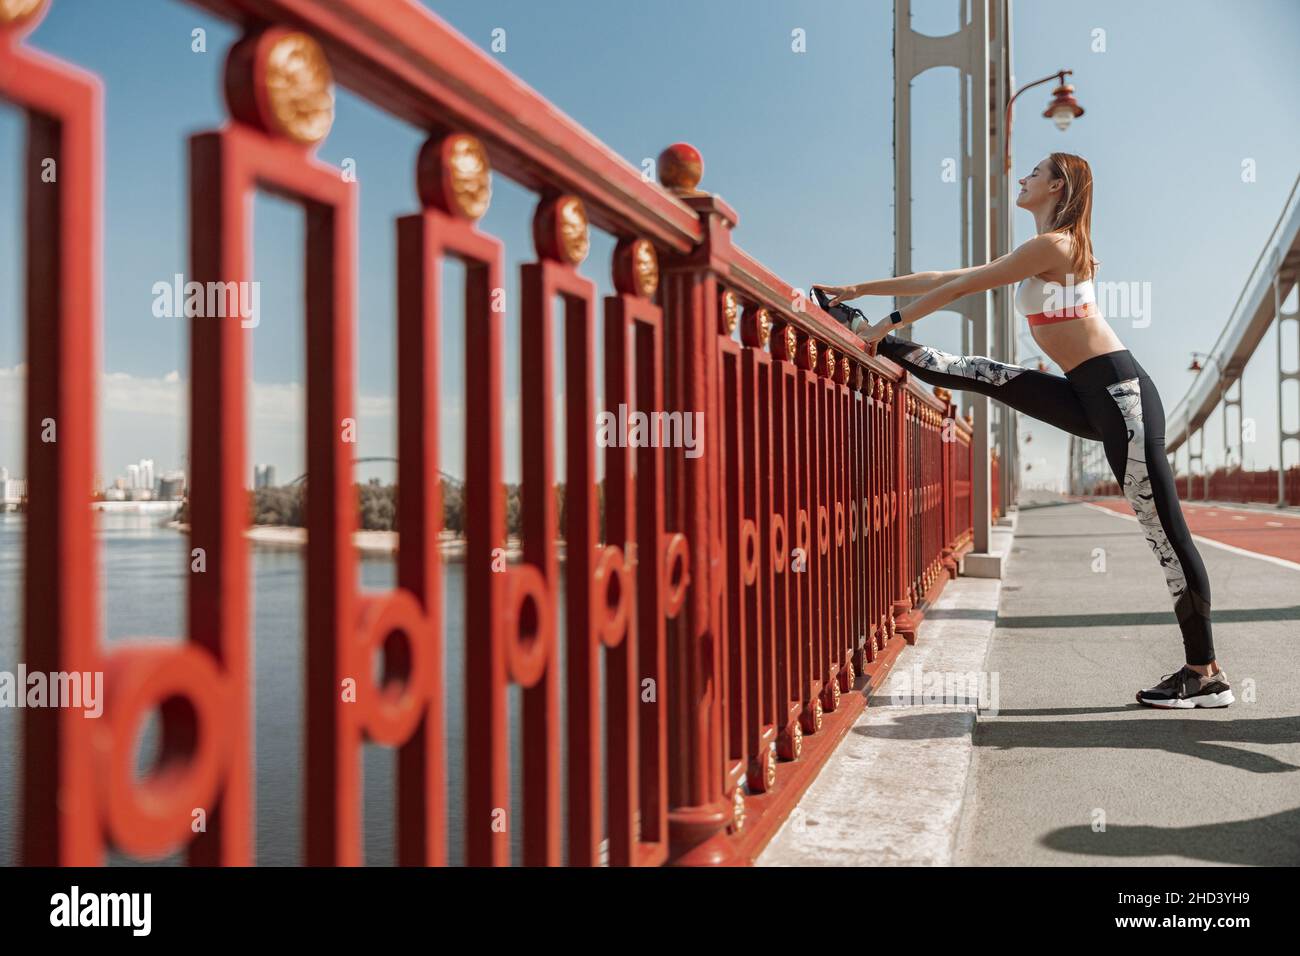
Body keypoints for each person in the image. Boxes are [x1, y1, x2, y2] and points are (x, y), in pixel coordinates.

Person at [814, 152, 1231, 709]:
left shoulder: (1056, 246)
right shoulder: (1044, 247)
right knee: (983, 373)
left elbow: (965, 287)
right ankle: (870, 334)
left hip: (1119, 397)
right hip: (1090, 392)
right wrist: (860, 289)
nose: (1023, 178)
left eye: (1034, 172)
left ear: (1057, 185)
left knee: (1166, 535)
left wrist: (887, 322)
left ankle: (1204, 674)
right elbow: (951, 278)